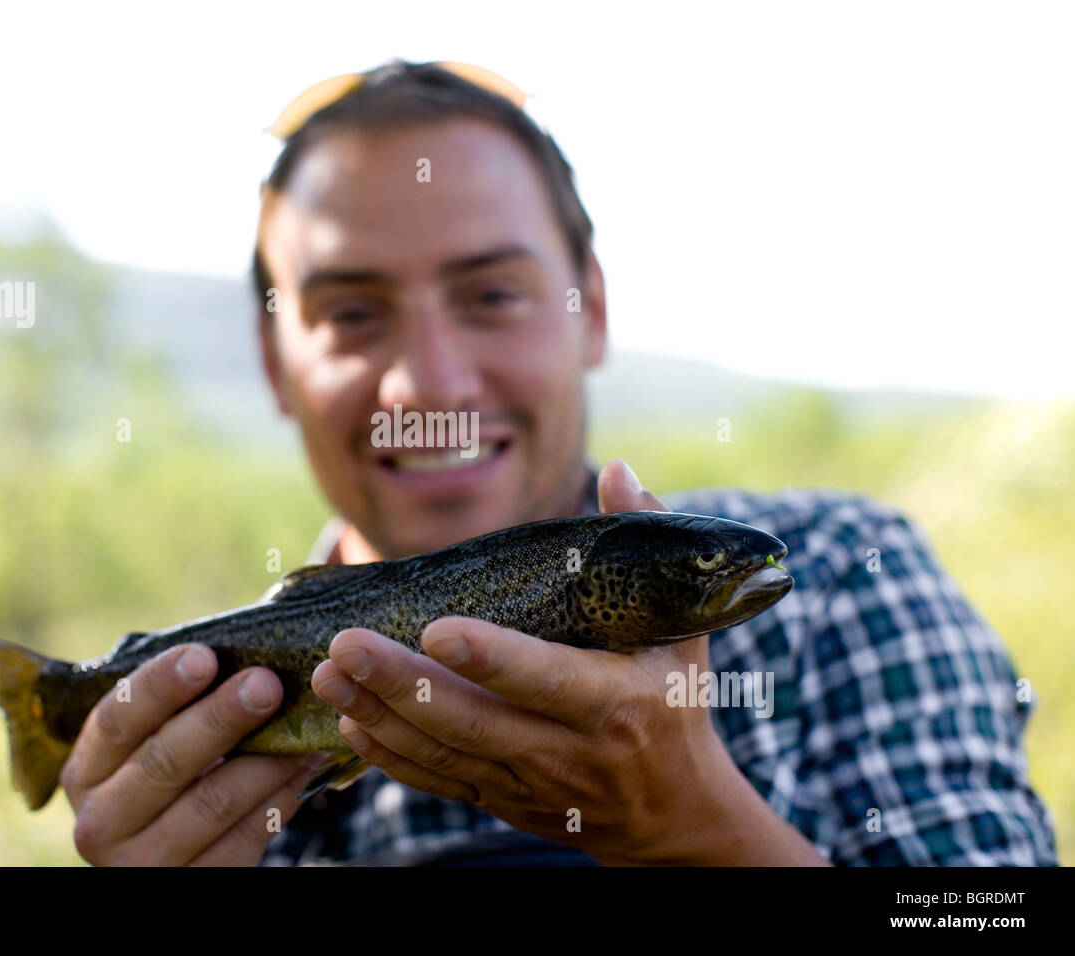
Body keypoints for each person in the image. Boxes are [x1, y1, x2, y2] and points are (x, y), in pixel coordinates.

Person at [61, 60, 1058, 866]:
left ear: (594, 307)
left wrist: (700, 835)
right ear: (276, 362)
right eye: (353, 313)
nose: (426, 386)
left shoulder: (846, 577)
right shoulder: (197, 736)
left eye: (490, 293)